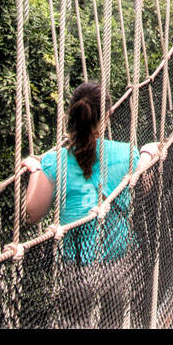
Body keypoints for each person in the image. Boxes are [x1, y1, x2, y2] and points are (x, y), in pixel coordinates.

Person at [21, 81, 160, 328]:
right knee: (114, 324)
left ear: (71, 115)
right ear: (106, 115)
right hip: (117, 263)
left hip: (75, 268)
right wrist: (148, 155)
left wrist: (35, 169)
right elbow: (144, 188)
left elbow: (31, 214)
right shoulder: (126, 153)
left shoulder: (54, 161)